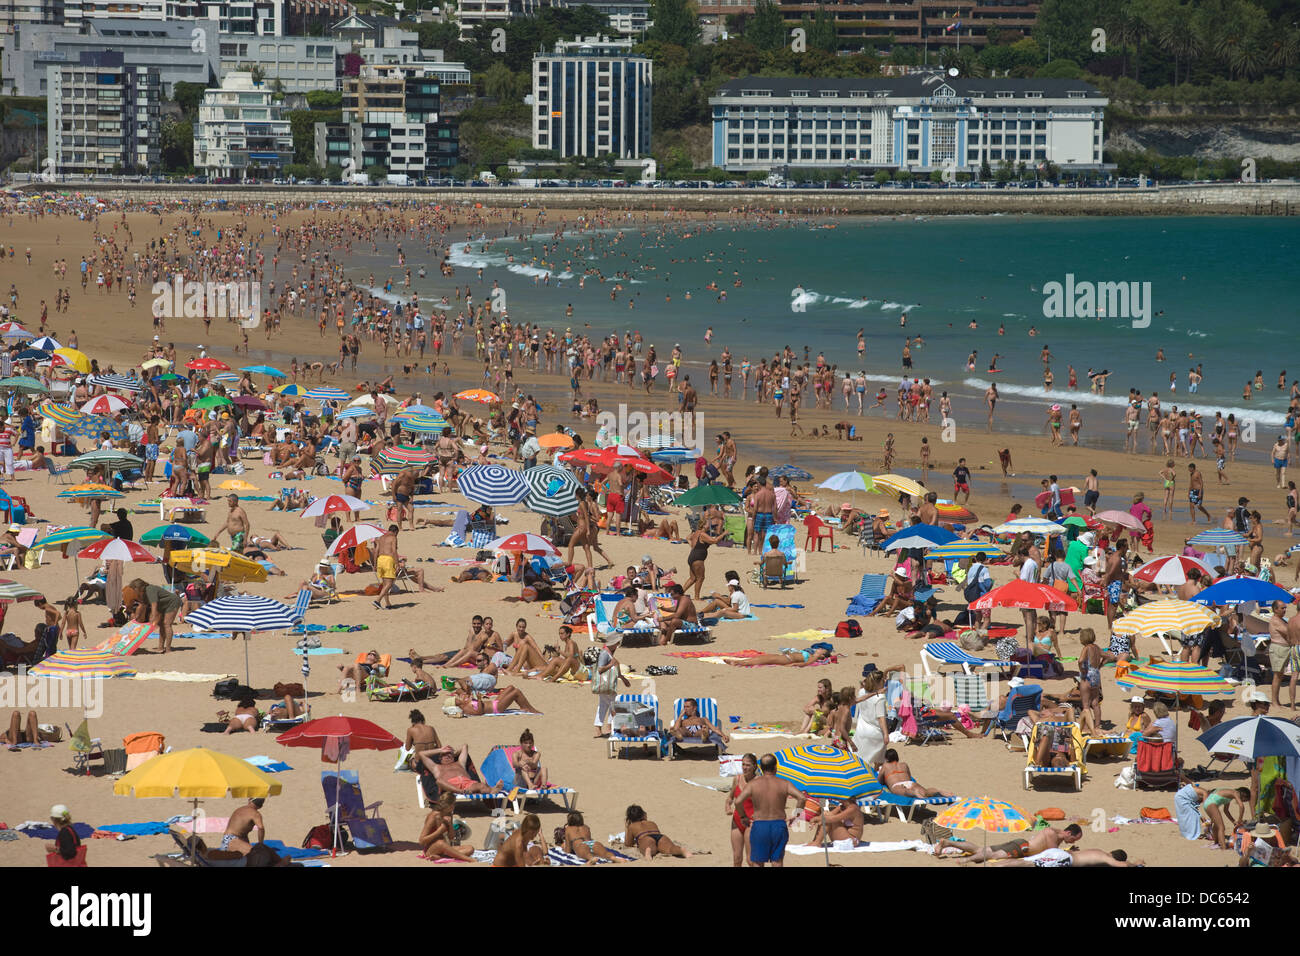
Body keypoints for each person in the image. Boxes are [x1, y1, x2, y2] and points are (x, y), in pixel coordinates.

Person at [732, 754, 806, 867]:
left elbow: (737, 802)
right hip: (778, 825)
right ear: (775, 767)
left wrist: (743, 817)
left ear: (760, 767)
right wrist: (796, 815)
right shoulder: (784, 783)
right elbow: (802, 798)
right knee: (777, 862)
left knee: (757, 862)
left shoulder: (753, 784)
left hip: (760, 825)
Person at [935, 823, 1083, 862]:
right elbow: (1052, 852)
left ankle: (947, 842)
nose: (1072, 841)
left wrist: (1068, 848)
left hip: (1020, 845)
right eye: (1073, 839)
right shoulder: (1052, 833)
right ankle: (965, 860)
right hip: (1022, 848)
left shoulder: (1056, 833)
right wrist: (1070, 852)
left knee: (980, 849)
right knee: (993, 856)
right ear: (1069, 833)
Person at [128, 577, 181, 653]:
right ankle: (160, 647)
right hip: (162, 604)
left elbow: (154, 606)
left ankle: (168, 649)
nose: (133, 591)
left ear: (139, 587)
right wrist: (136, 618)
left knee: (167, 624)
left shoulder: (150, 589)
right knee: (161, 624)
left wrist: (153, 618)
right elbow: (142, 606)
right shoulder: (143, 594)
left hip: (172, 602)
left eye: (134, 589)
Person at [593, 633, 631, 737]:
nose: (618, 644)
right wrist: (611, 665)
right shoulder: (605, 654)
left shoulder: (608, 652)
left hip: (605, 684)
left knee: (603, 705)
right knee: (614, 704)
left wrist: (623, 678)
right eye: (617, 643)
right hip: (606, 684)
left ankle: (598, 728)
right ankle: (609, 727)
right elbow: (600, 669)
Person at [419, 793, 475, 862]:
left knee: (470, 849)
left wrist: (450, 825)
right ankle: (468, 859)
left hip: (445, 847)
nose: (454, 806)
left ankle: (442, 857)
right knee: (440, 843)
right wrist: (439, 831)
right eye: (453, 804)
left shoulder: (449, 814)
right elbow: (421, 841)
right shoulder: (433, 816)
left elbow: (451, 837)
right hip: (431, 848)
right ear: (449, 805)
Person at [725, 753, 758, 866]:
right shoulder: (738, 779)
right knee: (737, 858)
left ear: (754, 766)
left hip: (751, 822)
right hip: (737, 820)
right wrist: (728, 807)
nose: (744, 767)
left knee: (750, 860)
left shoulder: (759, 782)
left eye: (748, 765)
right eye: (743, 764)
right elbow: (729, 798)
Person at [625, 804, 693, 859]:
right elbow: (656, 839)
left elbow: (628, 844)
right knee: (670, 849)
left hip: (645, 838)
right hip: (660, 837)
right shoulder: (651, 823)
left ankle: (648, 851)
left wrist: (636, 840)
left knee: (647, 848)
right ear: (643, 814)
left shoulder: (632, 826)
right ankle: (681, 850)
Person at [880, 749, 954, 798]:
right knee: (925, 792)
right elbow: (909, 777)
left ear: (887, 758)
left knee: (905, 792)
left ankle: (914, 793)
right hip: (910, 783)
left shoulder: (885, 766)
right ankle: (938, 791)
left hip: (896, 785)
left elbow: (879, 781)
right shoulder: (904, 764)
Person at [853, 669, 889, 767]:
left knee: (859, 761)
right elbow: (881, 719)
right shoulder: (880, 698)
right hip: (875, 733)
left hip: (861, 730)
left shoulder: (861, 692)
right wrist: (886, 734)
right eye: (883, 680)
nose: (885, 681)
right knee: (879, 762)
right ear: (879, 682)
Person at [680, 525, 726, 600]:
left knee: (693, 578)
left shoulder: (695, 533)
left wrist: (692, 545)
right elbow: (714, 541)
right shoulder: (702, 534)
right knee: (700, 578)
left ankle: (680, 593)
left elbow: (688, 538)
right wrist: (724, 534)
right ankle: (697, 597)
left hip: (692, 556)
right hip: (698, 558)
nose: (710, 526)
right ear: (704, 526)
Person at [724, 645, 832, 667]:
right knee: (762, 658)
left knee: (762, 660)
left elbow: (806, 663)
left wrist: (794, 664)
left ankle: (738, 663)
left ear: (822, 655)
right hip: (785, 657)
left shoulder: (815, 657)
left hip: (787, 659)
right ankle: (740, 662)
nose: (819, 649)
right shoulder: (813, 654)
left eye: (821, 650)